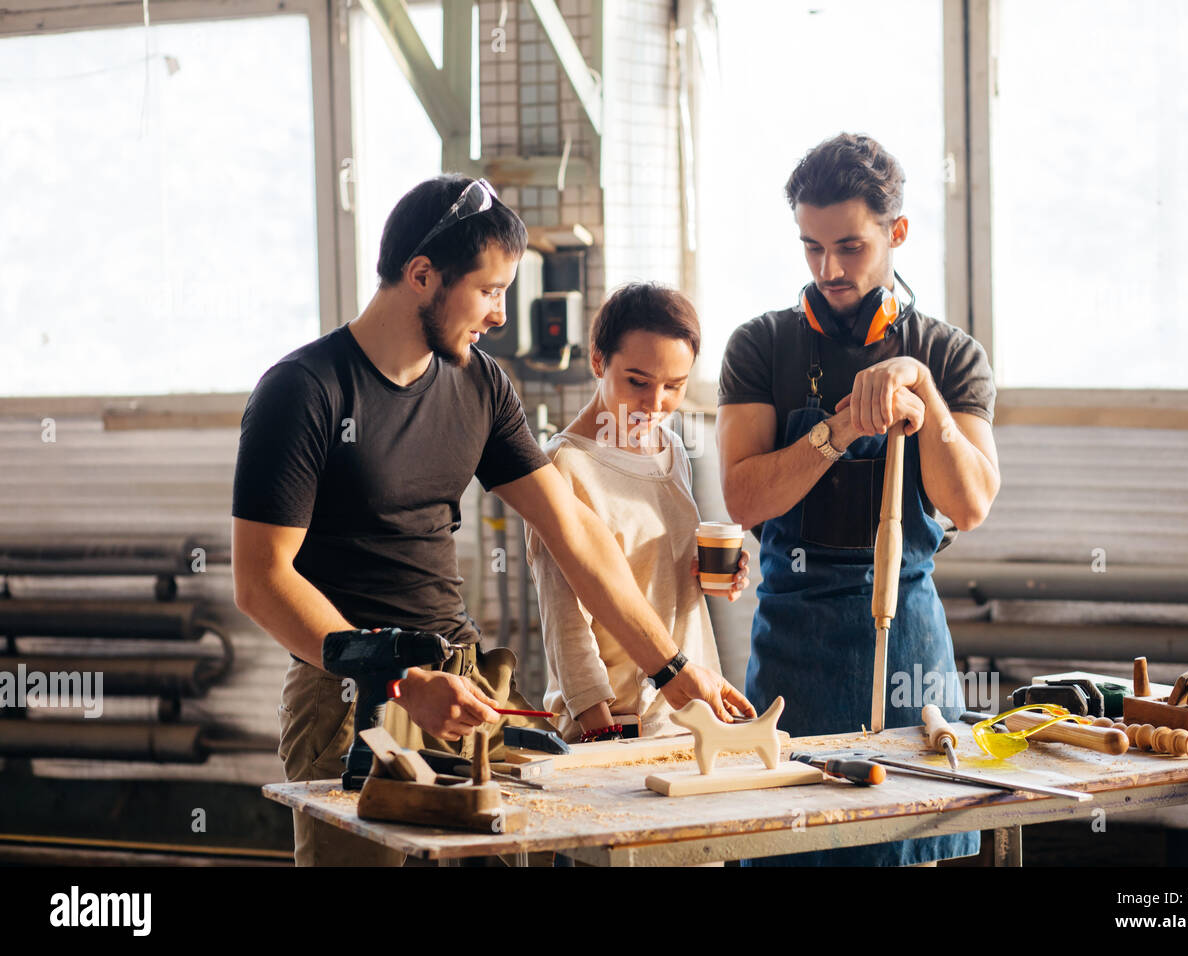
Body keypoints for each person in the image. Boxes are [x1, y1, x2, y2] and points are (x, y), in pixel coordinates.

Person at [232, 175, 753, 866]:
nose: (501, 315)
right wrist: (398, 678)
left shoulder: (479, 383)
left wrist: (674, 669)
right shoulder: (305, 391)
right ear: (422, 276)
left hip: (467, 687)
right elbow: (261, 582)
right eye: (489, 291)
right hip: (350, 701)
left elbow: (573, 531)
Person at [716, 133, 1000, 866]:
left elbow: (968, 504)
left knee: (910, 841)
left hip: (908, 644)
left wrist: (923, 392)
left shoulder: (950, 355)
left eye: (850, 246)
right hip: (791, 646)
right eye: (811, 248)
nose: (829, 269)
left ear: (896, 232)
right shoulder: (761, 347)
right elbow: (745, 499)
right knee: (789, 843)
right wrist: (839, 429)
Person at [524, 283, 750, 743]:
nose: (655, 404)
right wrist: (598, 725)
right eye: (638, 382)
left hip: (685, 712)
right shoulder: (563, 465)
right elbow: (565, 616)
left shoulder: (669, 449)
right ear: (597, 361)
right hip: (617, 724)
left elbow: (662, 571)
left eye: (674, 386)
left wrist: (717, 574)